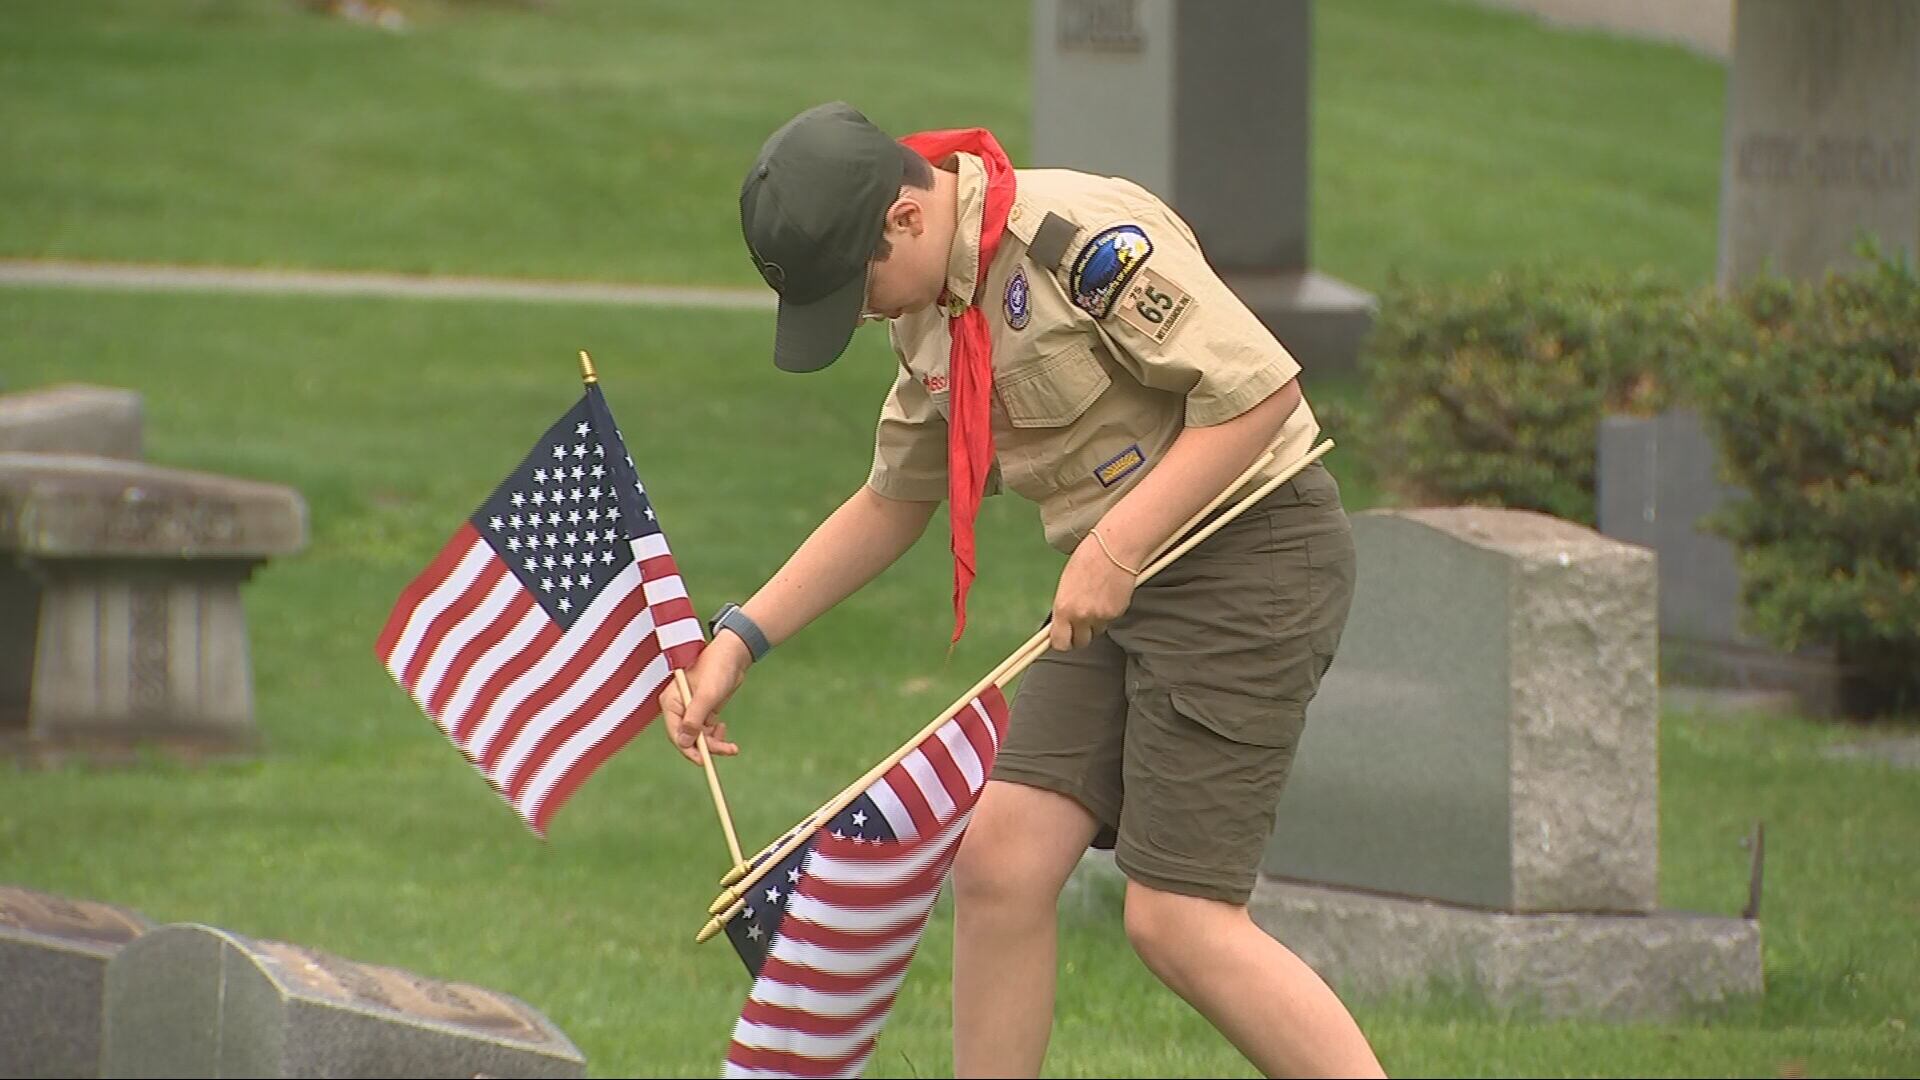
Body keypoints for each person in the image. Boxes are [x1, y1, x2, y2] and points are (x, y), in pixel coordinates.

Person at [664, 101, 1385, 1079]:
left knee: (1179, 919)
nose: (865, 312)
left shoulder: (1073, 242)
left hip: (1247, 557)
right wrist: (739, 639)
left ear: (905, 220)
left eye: (857, 287)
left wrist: (1119, 546)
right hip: (1123, 584)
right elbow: (892, 502)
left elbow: (1261, 393)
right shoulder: (931, 304)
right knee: (999, 859)